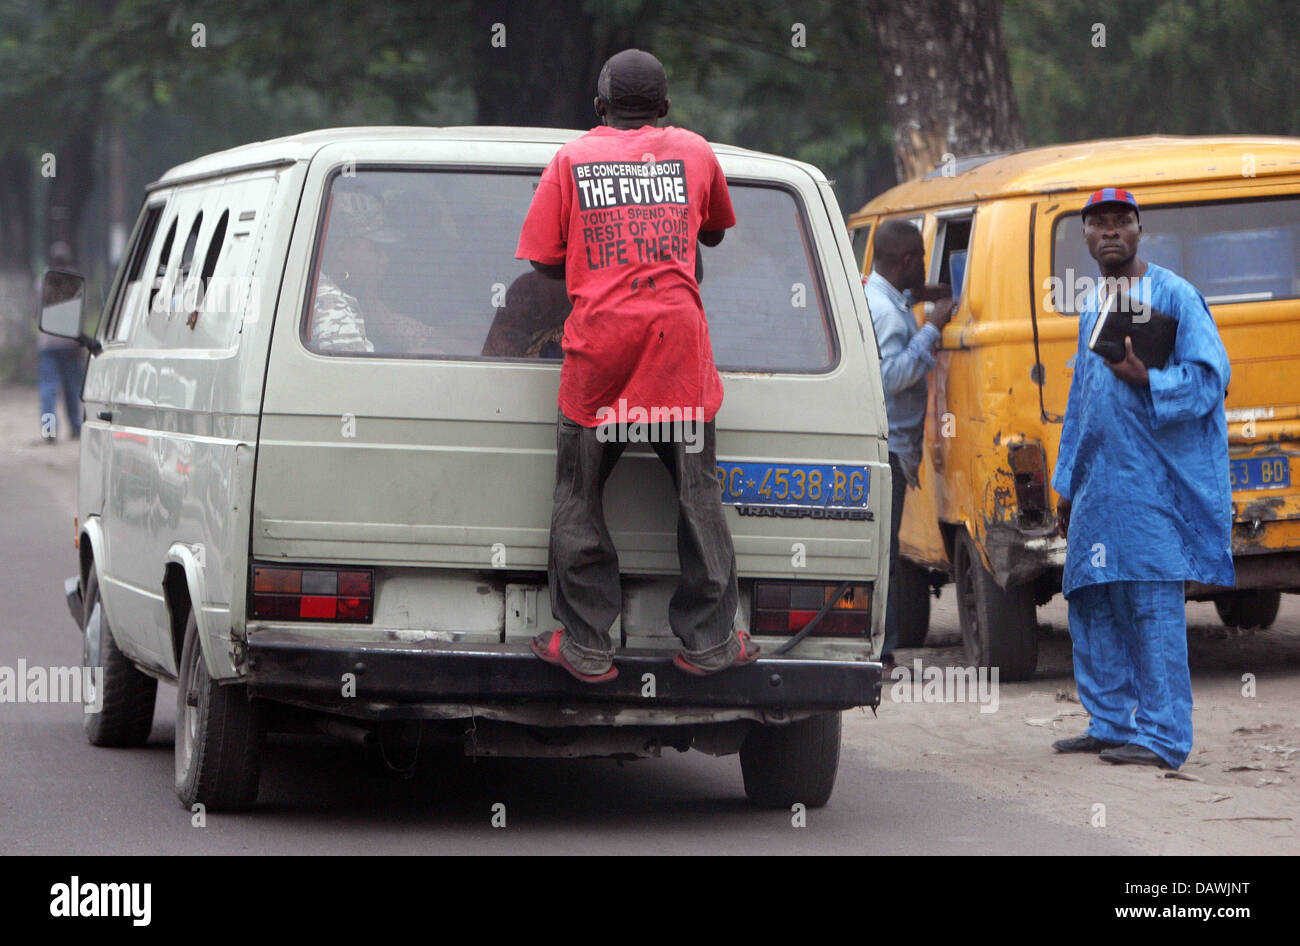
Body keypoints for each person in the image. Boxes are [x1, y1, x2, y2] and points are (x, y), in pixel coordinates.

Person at [515, 48, 757, 683]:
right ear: (666, 108)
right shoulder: (697, 152)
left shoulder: (569, 160)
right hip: (676, 348)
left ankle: (587, 645)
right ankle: (709, 643)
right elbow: (714, 233)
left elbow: (541, 260)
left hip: (600, 352)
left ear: (598, 108)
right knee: (698, 494)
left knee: (578, 494)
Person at [1051, 187, 1233, 770]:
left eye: (1121, 222)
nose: (1110, 232)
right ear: (1085, 236)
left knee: (1152, 602)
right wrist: (1066, 481)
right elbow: (1081, 399)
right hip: (1099, 486)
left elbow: (1210, 381)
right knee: (1090, 597)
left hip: (1155, 484)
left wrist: (1145, 380)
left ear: (1137, 230)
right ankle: (1110, 721)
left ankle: (1163, 736)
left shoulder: (1176, 297)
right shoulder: (1092, 307)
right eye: (1098, 223)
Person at [864, 220, 956, 669]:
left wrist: (918, 299)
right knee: (885, 554)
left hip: (894, 445)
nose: (925, 265)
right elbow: (888, 377)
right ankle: (880, 651)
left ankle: (880, 646)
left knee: (886, 551)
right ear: (906, 261)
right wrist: (932, 329)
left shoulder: (883, 298)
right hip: (889, 447)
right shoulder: (884, 311)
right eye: (921, 257)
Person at [309, 189, 445, 355]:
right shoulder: (331, 303)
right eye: (377, 249)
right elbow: (350, 376)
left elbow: (388, 323)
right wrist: (410, 358)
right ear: (342, 248)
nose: (385, 259)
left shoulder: (347, 289)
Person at [36, 242, 85, 443]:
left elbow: (35, 311)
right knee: (72, 389)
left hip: (48, 343)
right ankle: (75, 427)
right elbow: (82, 312)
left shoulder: (43, 281)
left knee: (48, 390)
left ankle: (49, 431)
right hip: (70, 343)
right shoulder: (76, 281)